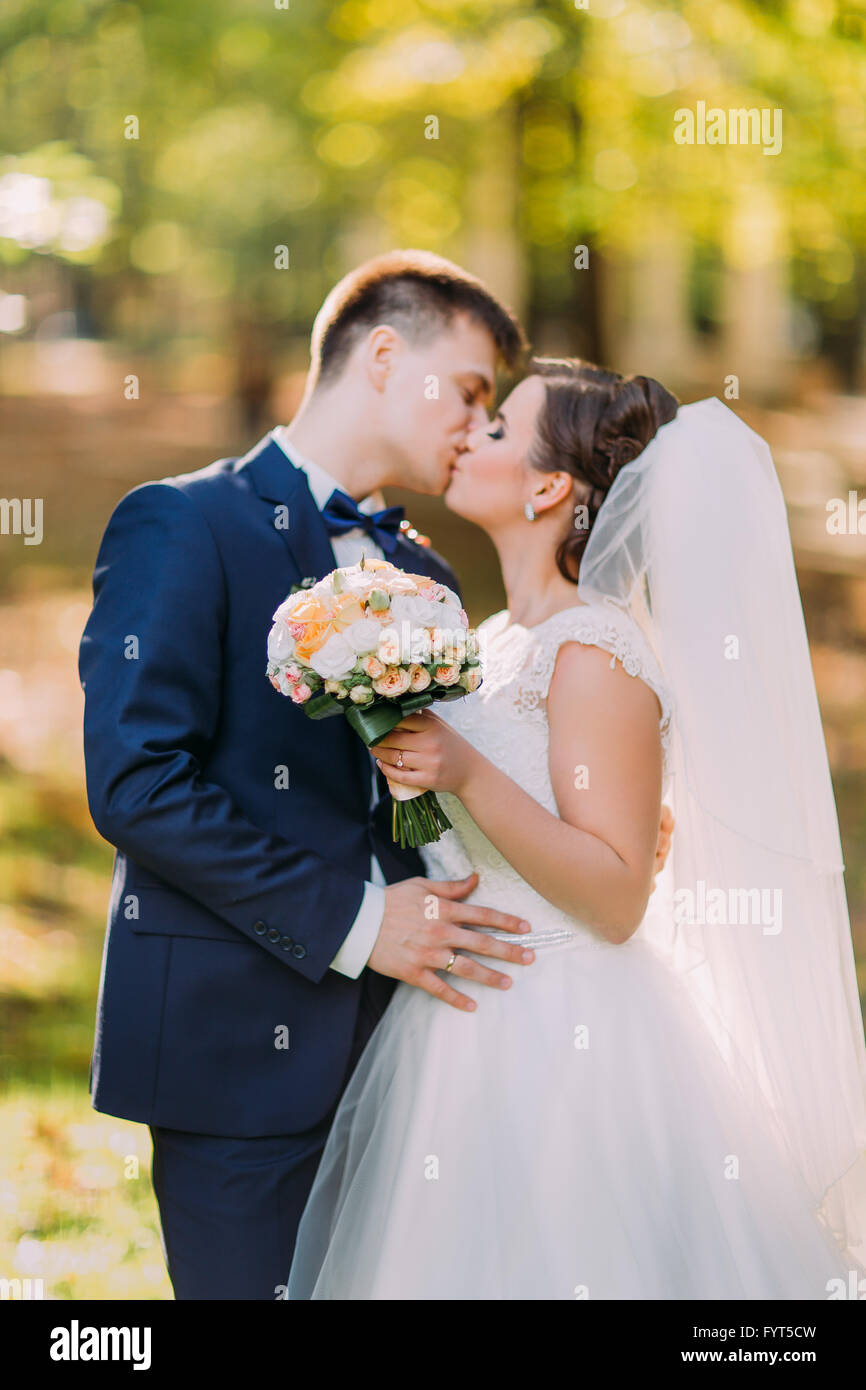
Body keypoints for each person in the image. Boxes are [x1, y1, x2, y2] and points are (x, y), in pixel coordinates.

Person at [78, 248, 677, 1299]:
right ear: (386, 357)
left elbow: (421, 782)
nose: (472, 420)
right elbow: (138, 783)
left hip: (419, 1057)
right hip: (238, 1053)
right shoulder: (184, 521)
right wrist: (361, 923)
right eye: (471, 390)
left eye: (494, 409)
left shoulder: (429, 575)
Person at [286, 360, 866, 1300]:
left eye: (500, 428)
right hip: (460, 1025)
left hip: (562, 1030)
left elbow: (616, 897)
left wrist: (465, 770)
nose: (469, 433)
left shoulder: (594, 652)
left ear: (552, 486)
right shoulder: (488, 641)